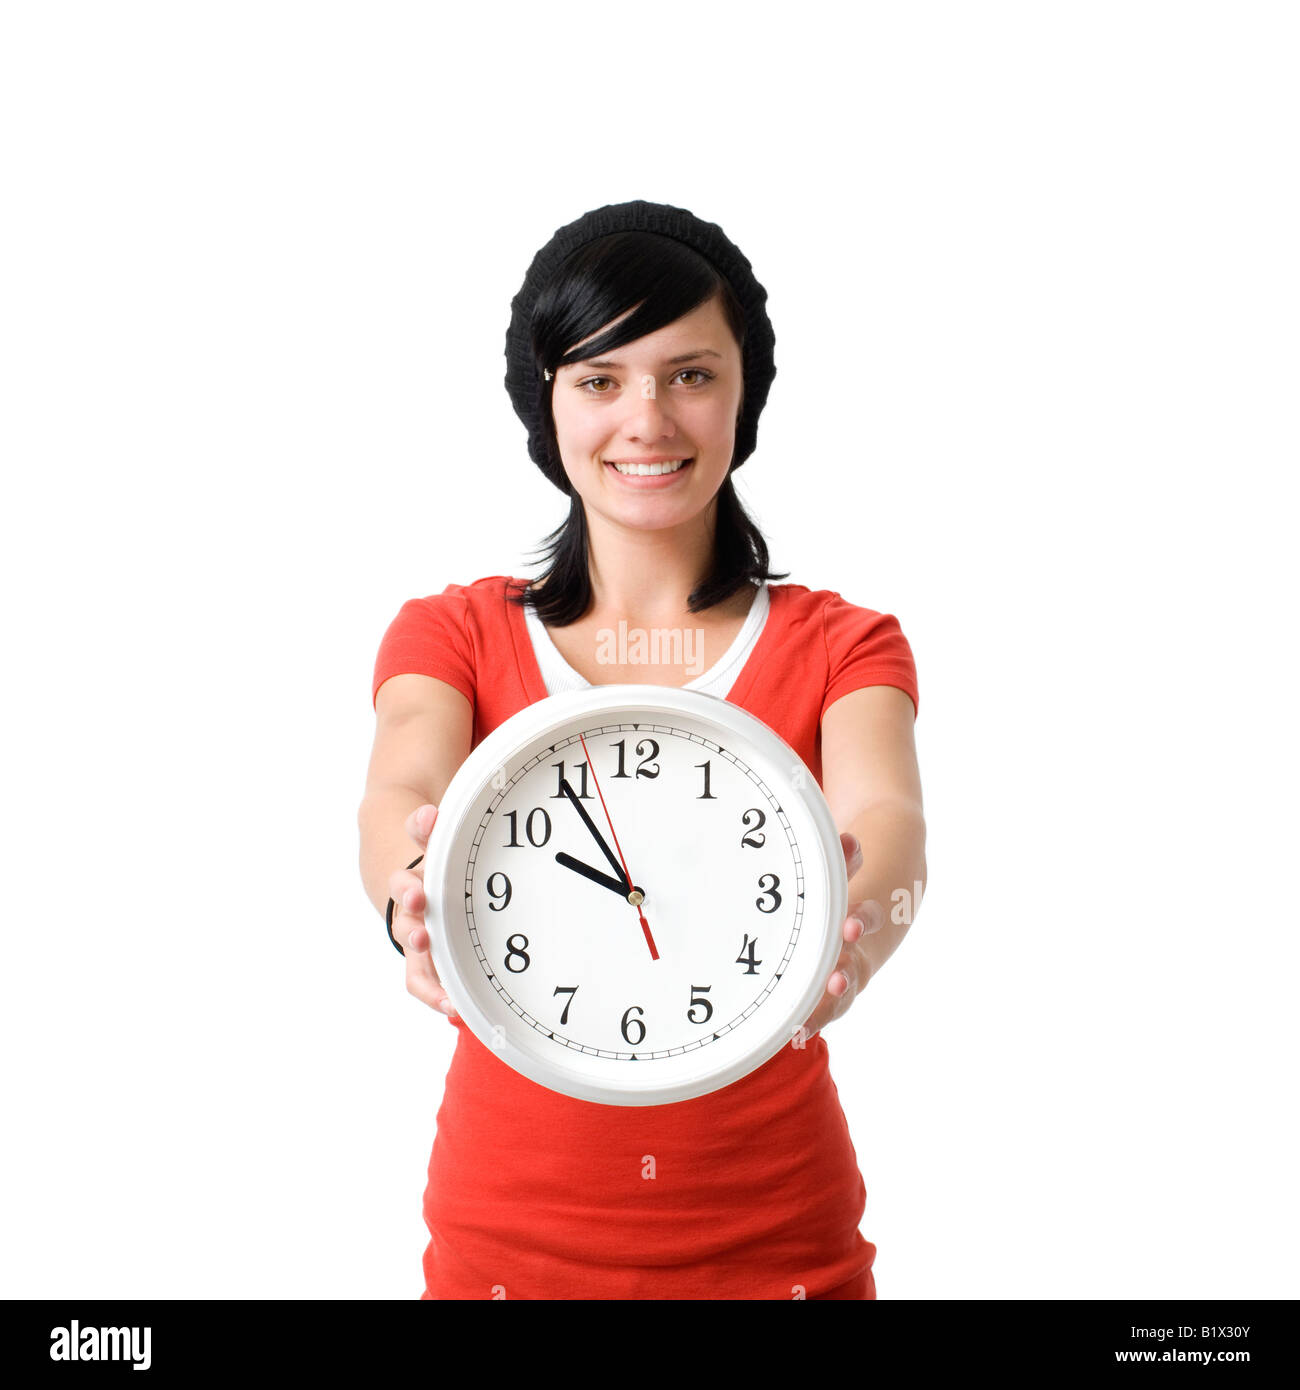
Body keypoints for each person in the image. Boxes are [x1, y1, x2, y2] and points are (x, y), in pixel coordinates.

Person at [357, 200, 927, 1300]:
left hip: (779, 1249)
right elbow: (403, 783)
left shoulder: (841, 642)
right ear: (548, 402)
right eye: (600, 379)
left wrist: (852, 939)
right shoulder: (455, 633)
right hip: (505, 1255)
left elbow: (889, 818)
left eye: (690, 375)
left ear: (742, 394)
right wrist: (406, 896)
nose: (647, 419)